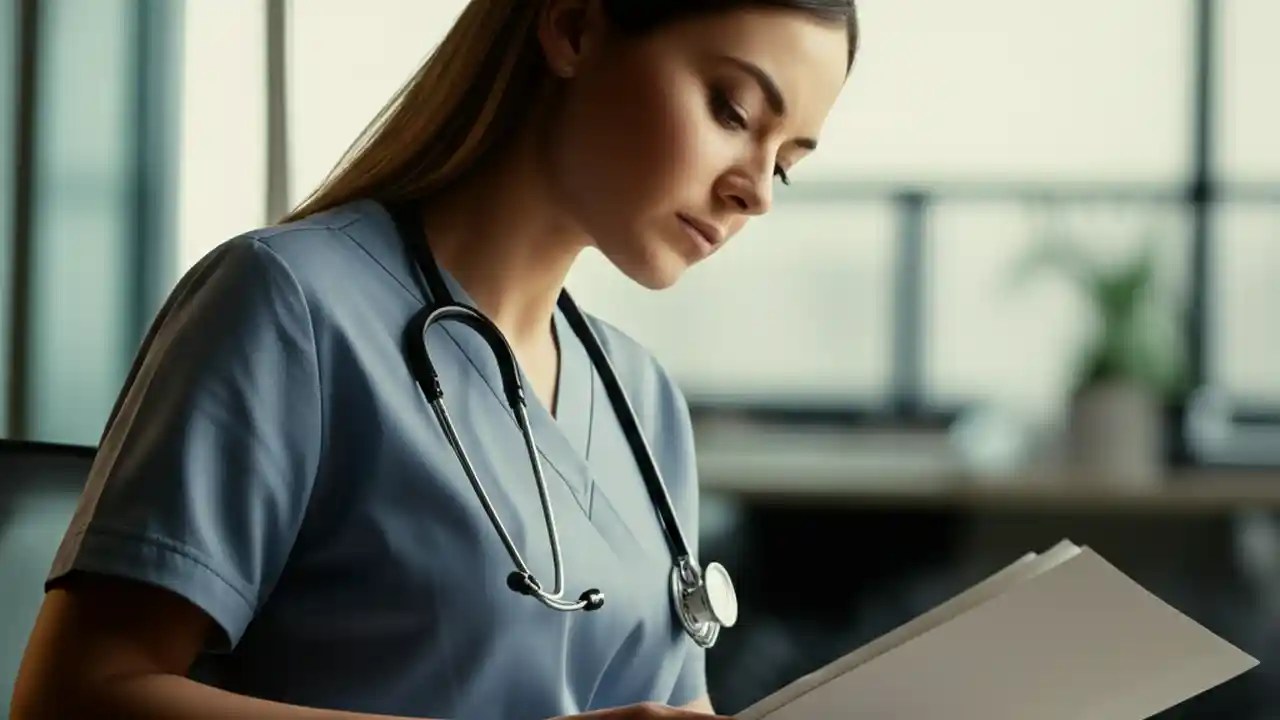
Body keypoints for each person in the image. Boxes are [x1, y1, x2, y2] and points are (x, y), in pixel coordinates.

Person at [11, 1, 857, 718]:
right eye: (732, 111)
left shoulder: (644, 404)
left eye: (786, 164)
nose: (755, 190)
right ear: (573, 29)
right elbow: (74, 698)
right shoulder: (289, 307)